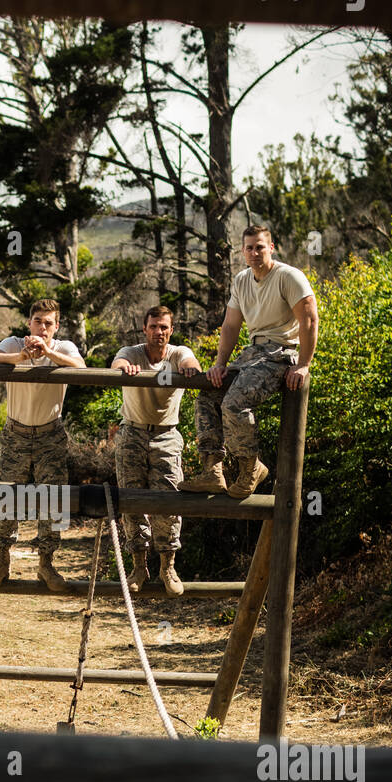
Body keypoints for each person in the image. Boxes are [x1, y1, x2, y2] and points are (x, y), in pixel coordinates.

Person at [182, 225, 318, 498]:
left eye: (259, 247)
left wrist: (303, 364)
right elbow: (231, 325)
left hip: (280, 353)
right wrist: (220, 363)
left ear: (271, 247)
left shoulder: (289, 277)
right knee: (208, 395)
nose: (254, 252)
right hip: (251, 355)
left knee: (234, 403)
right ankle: (213, 471)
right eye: (249, 248)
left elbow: (309, 319)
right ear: (242, 251)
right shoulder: (242, 280)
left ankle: (251, 468)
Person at [0, 298, 85, 592]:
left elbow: (80, 366)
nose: (42, 327)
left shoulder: (63, 347)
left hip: (50, 435)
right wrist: (20, 358)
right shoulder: (14, 344)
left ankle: (46, 564)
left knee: (53, 500)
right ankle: (2, 561)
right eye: (38, 321)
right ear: (29, 323)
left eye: (48, 323)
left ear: (57, 326)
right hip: (15, 433)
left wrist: (49, 353)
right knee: (5, 497)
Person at [112, 306, 201, 595]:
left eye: (164, 327)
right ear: (144, 328)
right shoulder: (132, 351)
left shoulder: (177, 353)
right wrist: (124, 369)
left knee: (169, 502)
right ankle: (139, 565)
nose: (158, 332)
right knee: (130, 499)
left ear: (171, 330)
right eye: (153, 326)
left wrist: (191, 369)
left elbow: (191, 362)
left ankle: (167, 567)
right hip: (133, 432)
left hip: (166, 435)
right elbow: (117, 363)